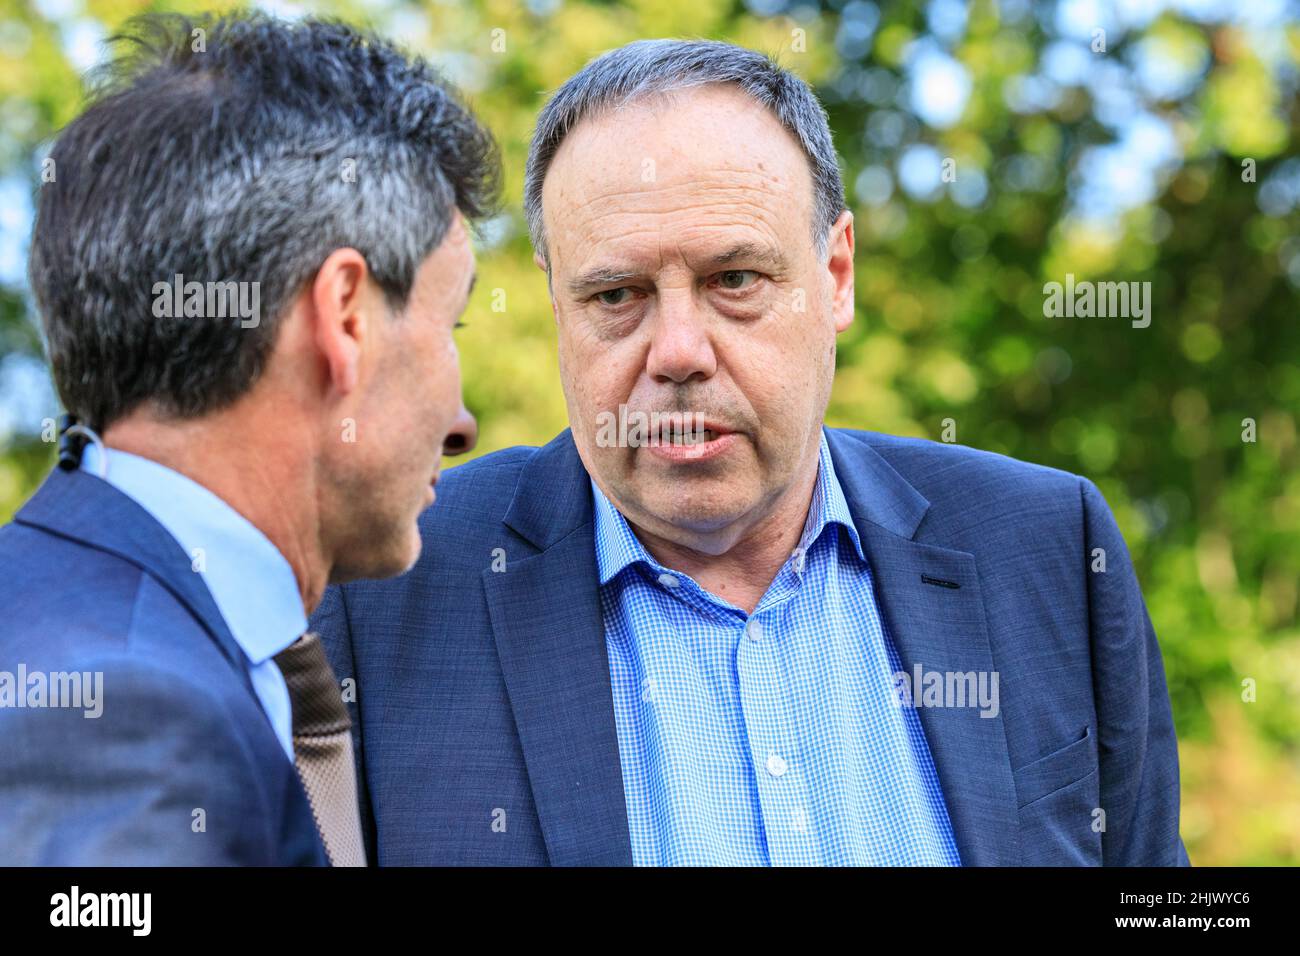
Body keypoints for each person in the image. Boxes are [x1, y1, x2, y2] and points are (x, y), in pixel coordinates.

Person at [312, 39, 1188, 866]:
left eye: (735, 280)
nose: (679, 350)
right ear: (556, 305)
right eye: (616, 294)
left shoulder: (1049, 550)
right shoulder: (384, 587)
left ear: (836, 277)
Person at [0, 11, 499, 865]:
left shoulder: (76, 628)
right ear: (344, 317)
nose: (464, 424)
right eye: (448, 324)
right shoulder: (130, 716)